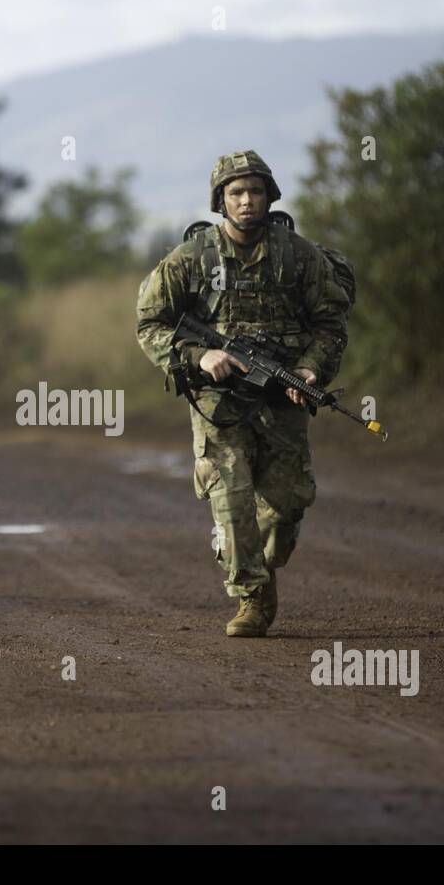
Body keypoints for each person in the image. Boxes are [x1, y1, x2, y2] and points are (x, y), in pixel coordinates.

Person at [136, 151, 352, 637]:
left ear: (269, 195)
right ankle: (251, 598)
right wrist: (197, 357)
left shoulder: (298, 255)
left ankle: (257, 561)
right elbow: (150, 323)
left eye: (255, 191)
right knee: (231, 500)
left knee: (285, 509)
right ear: (220, 201)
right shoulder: (192, 258)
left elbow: (330, 322)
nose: (247, 201)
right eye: (236, 193)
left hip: (282, 398)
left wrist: (311, 369)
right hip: (219, 402)